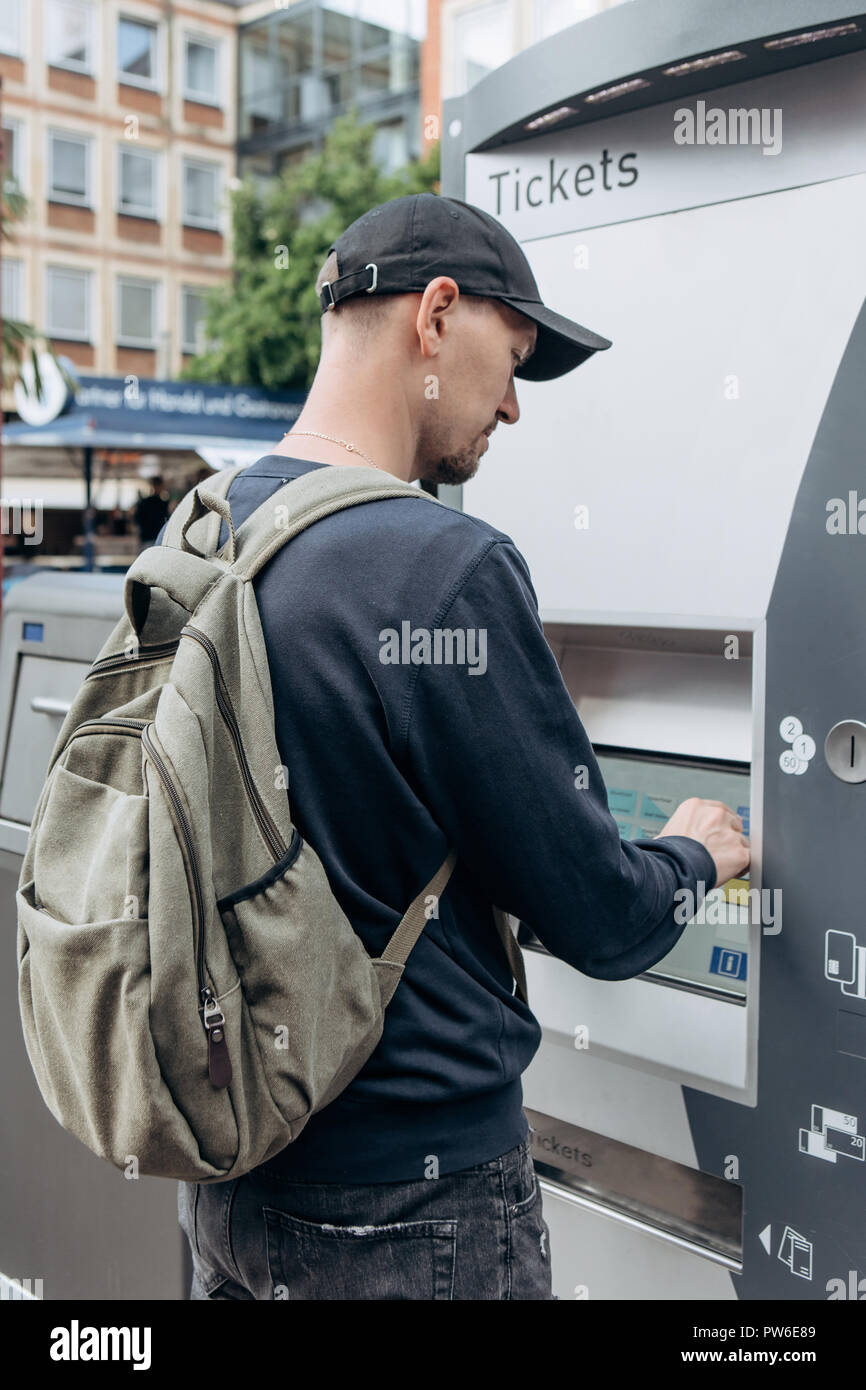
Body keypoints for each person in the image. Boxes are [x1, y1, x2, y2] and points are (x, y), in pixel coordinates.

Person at [175, 193, 750, 1301]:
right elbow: (601, 915)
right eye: (514, 358)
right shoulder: (441, 565)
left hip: (229, 1174)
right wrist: (693, 851)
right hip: (409, 1209)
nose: (513, 409)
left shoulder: (208, 525)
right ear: (435, 316)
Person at [133, 473, 170, 546]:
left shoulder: (143, 502)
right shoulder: (163, 504)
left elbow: (136, 519)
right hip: (158, 538)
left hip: (147, 538)